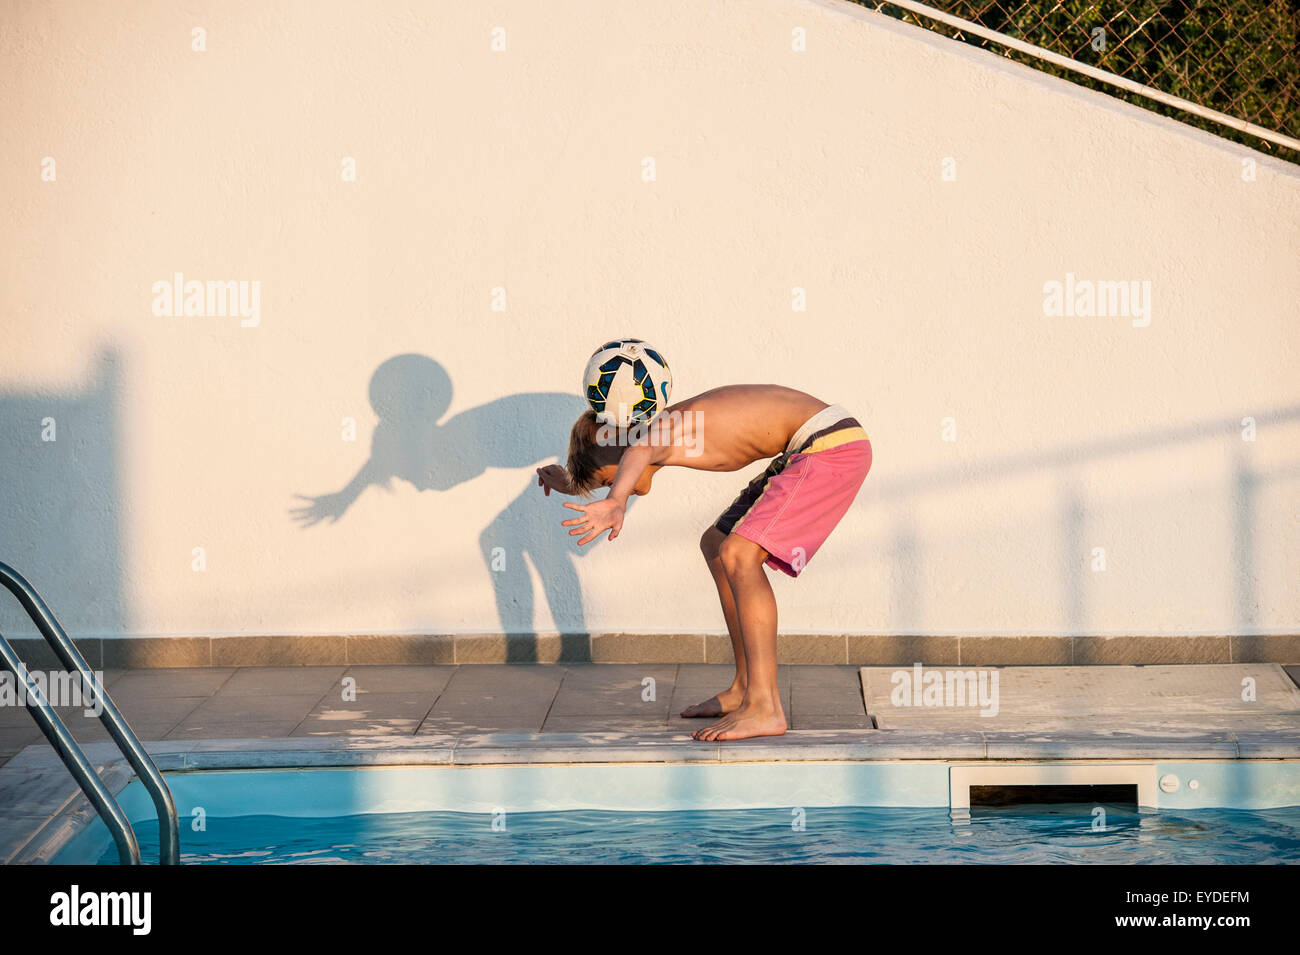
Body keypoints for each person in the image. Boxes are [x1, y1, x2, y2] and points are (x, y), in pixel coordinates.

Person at [536, 384, 872, 741]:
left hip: (830, 448)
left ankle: (765, 707)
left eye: (611, 480)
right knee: (716, 544)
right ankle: (744, 688)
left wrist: (616, 500)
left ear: (616, 452)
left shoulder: (653, 435)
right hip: (814, 444)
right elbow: (630, 456)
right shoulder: (657, 436)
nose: (625, 487)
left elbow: (637, 452)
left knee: (739, 554)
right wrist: (574, 483)